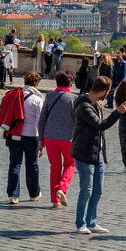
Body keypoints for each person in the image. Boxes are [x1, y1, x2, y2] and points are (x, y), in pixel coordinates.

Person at [70, 76, 126, 234]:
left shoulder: (96, 105)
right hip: (84, 153)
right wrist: (118, 112)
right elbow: (100, 125)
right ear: (103, 91)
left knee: (98, 190)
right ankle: (80, 223)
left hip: (97, 154)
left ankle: (92, 222)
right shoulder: (84, 106)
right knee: (86, 190)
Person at [0, 72, 45, 204]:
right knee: (32, 165)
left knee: (14, 164)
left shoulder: (13, 95)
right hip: (31, 136)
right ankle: (34, 193)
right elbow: (39, 123)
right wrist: (42, 142)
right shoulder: (37, 99)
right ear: (36, 83)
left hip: (14, 134)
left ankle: (13, 195)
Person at [37, 71, 77, 207]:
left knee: (55, 167)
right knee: (70, 164)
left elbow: (42, 119)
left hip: (50, 137)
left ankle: (55, 201)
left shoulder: (49, 96)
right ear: (70, 83)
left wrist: (41, 139)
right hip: (68, 138)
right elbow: (77, 121)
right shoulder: (74, 99)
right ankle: (62, 188)